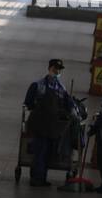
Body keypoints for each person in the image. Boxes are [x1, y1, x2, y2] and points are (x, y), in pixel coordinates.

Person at [23, 59, 75, 187]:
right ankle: (36, 179)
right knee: (39, 152)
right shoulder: (37, 85)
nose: (57, 71)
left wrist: (72, 108)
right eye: (55, 69)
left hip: (52, 127)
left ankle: (42, 178)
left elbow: (68, 103)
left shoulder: (61, 88)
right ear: (50, 68)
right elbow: (28, 102)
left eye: (59, 69)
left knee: (47, 153)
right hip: (39, 125)